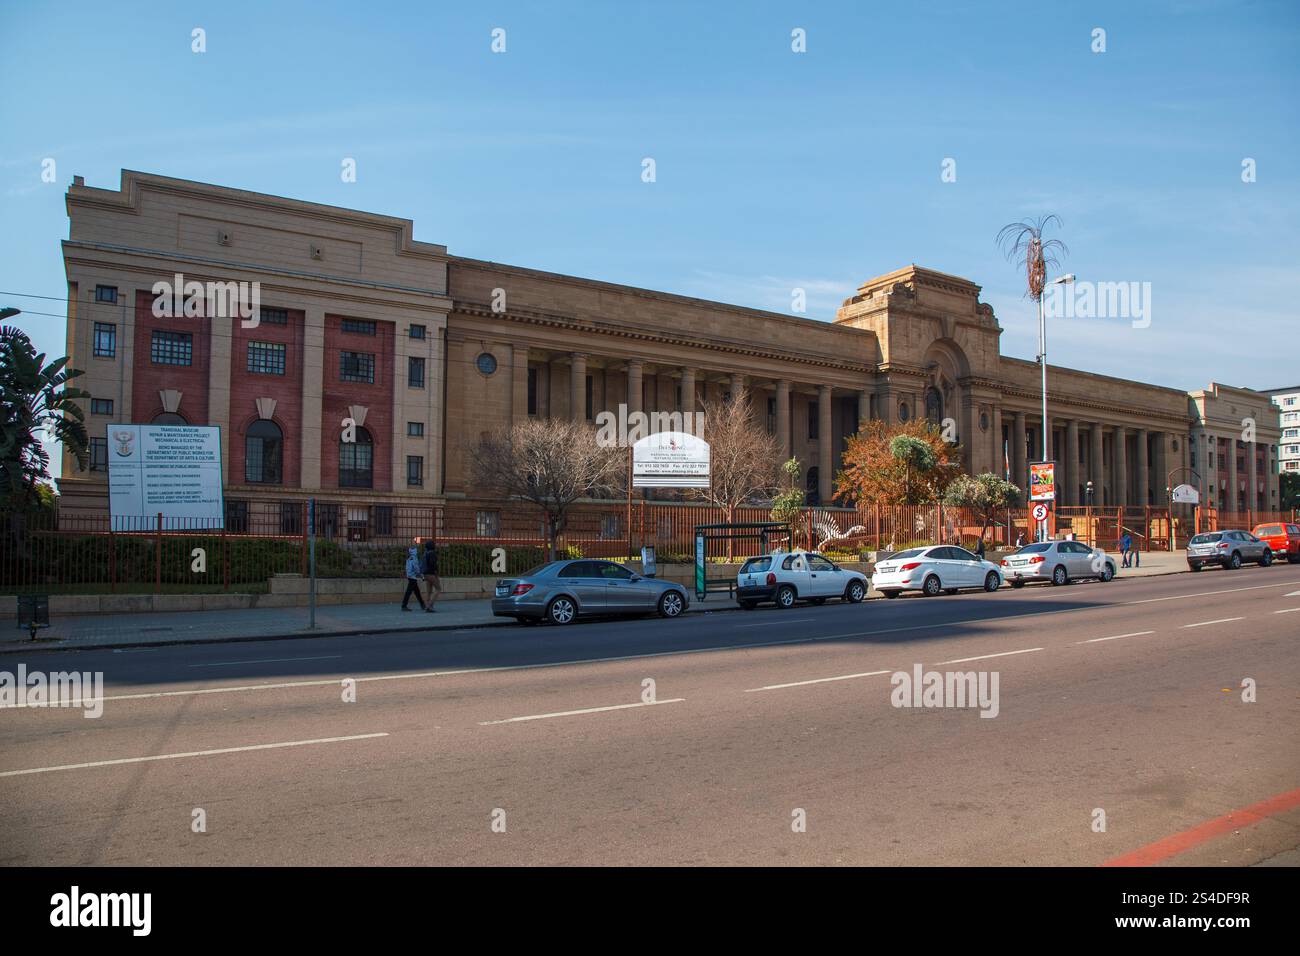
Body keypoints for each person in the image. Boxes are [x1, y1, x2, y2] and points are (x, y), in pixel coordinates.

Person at [401, 544, 426, 611]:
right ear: (415, 551)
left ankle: (422, 604)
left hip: (410, 576)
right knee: (409, 592)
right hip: (412, 577)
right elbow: (416, 568)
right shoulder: (414, 558)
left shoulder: (409, 558)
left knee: (417, 591)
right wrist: (421, 575)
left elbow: (407, 567)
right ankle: (404, 605)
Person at [422, 538, 442, 612]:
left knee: (429, 591)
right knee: (438, 589)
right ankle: (430, 605)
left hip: (425, 574)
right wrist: (436, 574)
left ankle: (427, 605)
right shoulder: (432, 553)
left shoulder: (425, 553)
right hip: (431, 574)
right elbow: (433, 565)